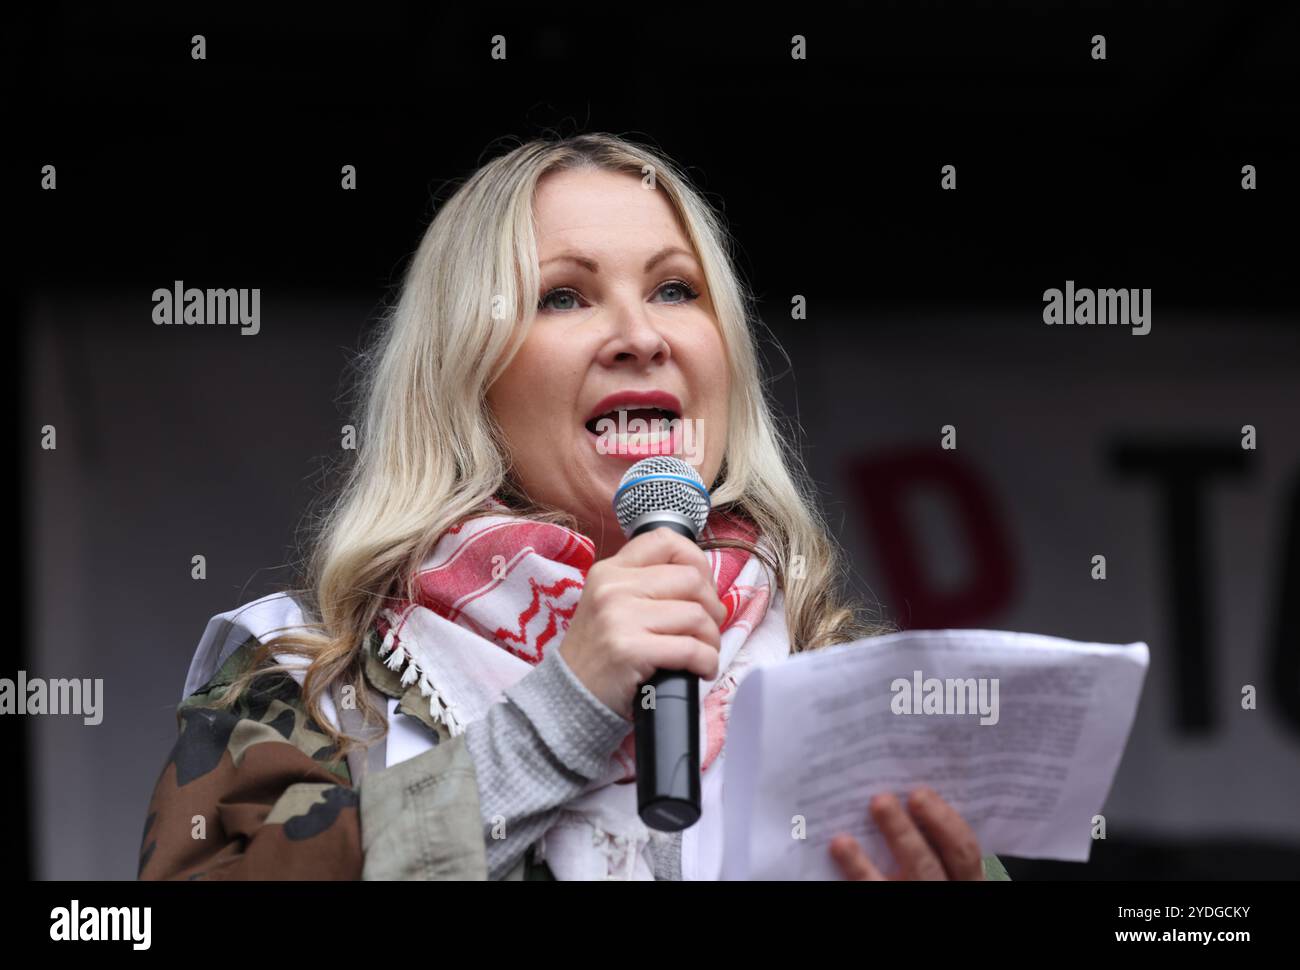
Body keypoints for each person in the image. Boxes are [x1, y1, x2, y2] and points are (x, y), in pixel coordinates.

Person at [138, 132, 1010, 882]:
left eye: (676, 289)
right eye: (564, 295)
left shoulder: (847, 686)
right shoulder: (307, 678)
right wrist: (563, 711)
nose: (642, 334)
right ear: (465, 373)